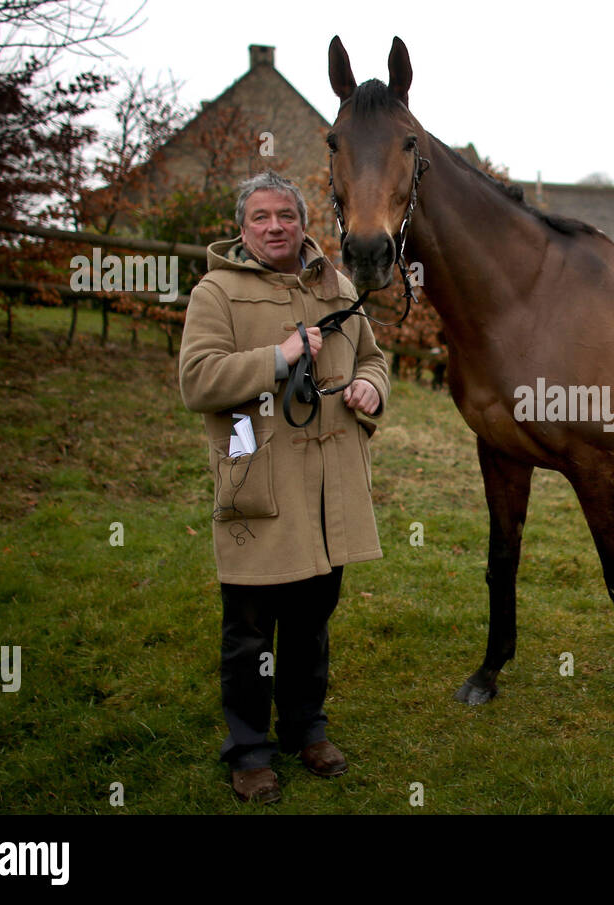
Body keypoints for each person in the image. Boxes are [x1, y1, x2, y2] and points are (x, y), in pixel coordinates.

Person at [179, 170, 389, 804]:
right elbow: (199, 381)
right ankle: (248, 750)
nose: (275, 227)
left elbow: (374, 357)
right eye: (261, 218)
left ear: (303, 223)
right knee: (249, 631)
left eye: (286, 216)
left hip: (332, 485)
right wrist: (279, 356)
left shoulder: (338, 285)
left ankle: (306, 730)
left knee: (311, 621)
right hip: (257, 474)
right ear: (242, 229)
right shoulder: (216, 291)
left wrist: (371, 387)